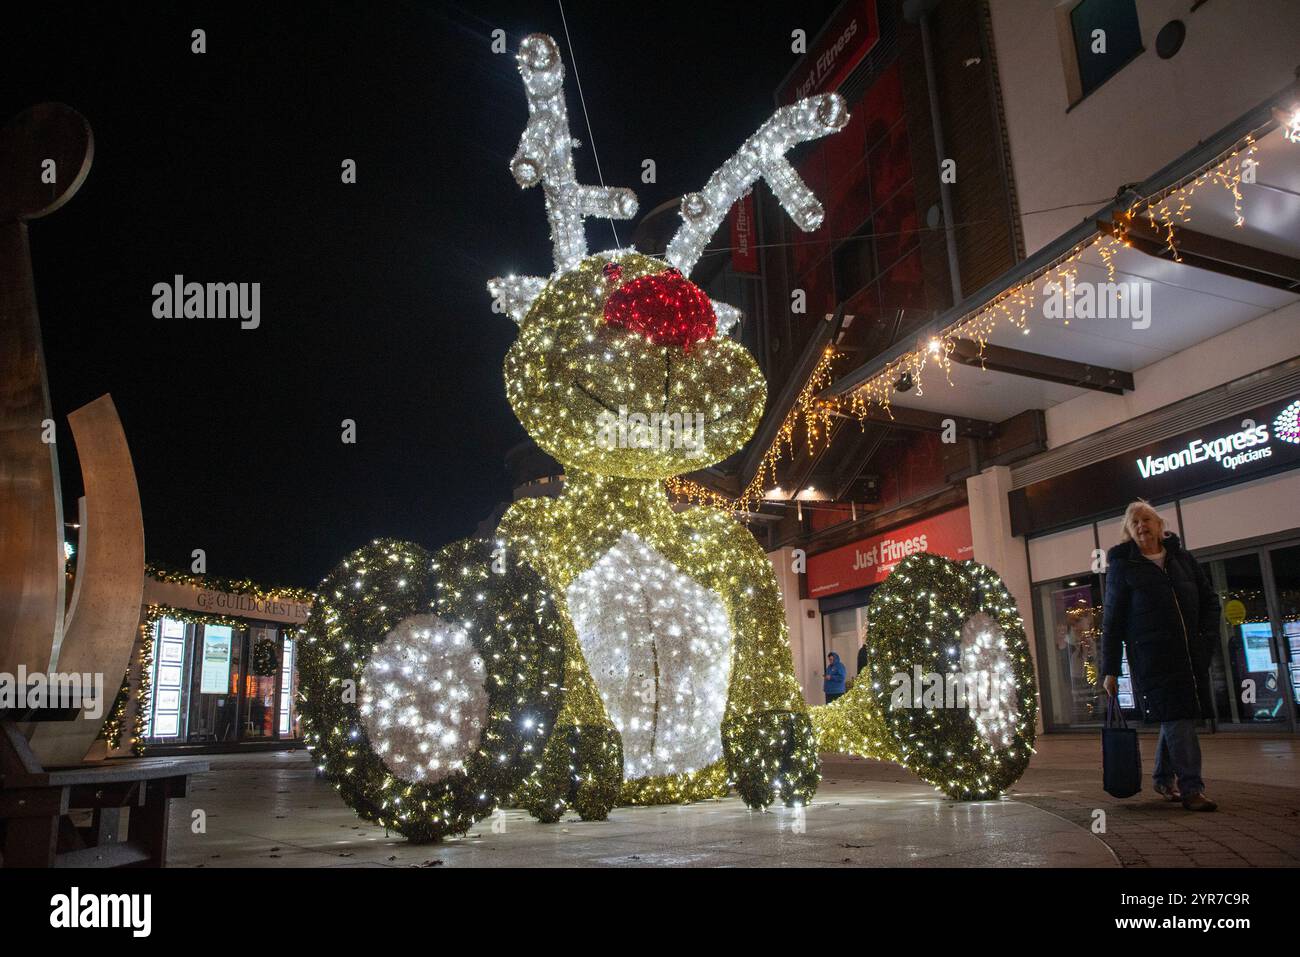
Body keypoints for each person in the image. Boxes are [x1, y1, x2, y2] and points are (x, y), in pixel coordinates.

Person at [1100, 500, 1220, 811]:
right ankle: (1192, 789)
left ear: (1159, 525)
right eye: (1135, 522)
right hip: (1152, 659)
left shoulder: (1182, 559)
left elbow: (1210, 602)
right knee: (1178, 718)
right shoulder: (1123, 568)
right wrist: (1110, 669)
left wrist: (1205, 640)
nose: (1142, 526)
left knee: (1176, 717)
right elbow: (1112, 622)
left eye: (1146, 520)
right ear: (1129, 531)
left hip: (1190, 656)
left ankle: (1164, 780)